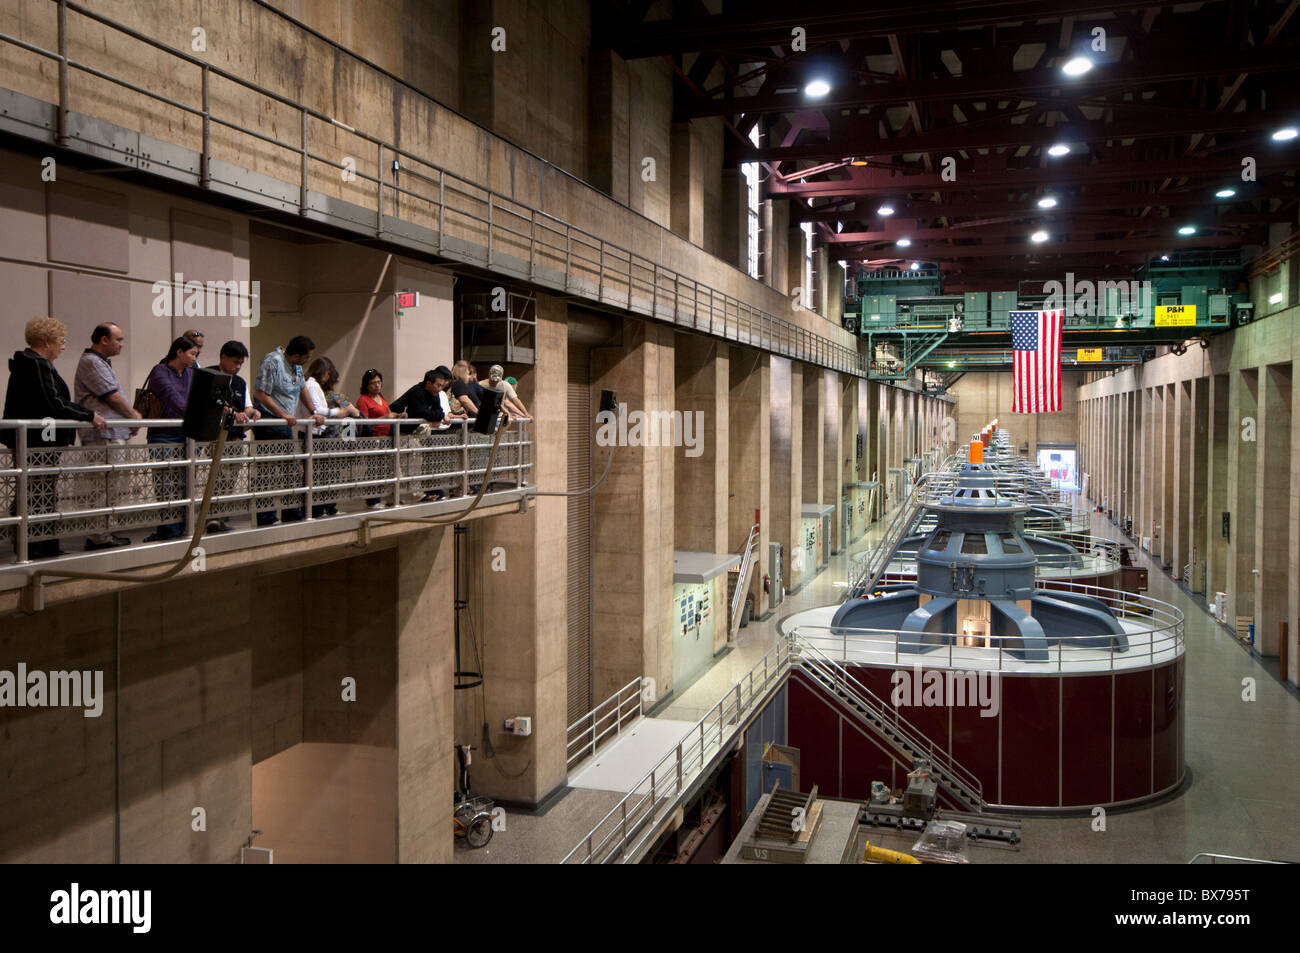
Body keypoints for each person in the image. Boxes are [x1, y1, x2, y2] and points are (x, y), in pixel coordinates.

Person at [2, 317, 107, 559]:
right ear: (47, 341)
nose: (63, 345)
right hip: (38, 442)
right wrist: (89, 415)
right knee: (39, 493)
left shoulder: (29, 363)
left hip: (35, 440)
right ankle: (38, 546)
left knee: (38, 492)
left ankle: (40, 544)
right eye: (60, 341)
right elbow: (55, 403)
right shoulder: (37, 365)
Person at [74, 322, 141, 550]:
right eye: (119, 339)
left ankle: (104, 532)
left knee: (110, 486)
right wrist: (133, 416)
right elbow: (111, 397)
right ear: (104, 340)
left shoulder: (100, 362)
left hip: (110, 434)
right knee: (102, 487)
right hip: (103, 436)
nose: (122, 344)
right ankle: (99, 536)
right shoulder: (92, 362)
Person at [251, 335, 323, 526]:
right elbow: (260, 393)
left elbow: (302, 390)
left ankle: (291, 512)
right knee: (267, 472)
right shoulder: (272, 361)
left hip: (285, 425)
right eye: (306, 356)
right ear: (297, 355)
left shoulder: (297, 367)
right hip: (270, 423)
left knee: (290, 470)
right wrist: (282, 413)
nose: (308, 360)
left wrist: (314, 412)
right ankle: (266, 517)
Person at [142, 337, 199, 541]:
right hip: (163, 434)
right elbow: (172, 397)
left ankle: (184, 528)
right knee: (166, 484)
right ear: (179, 352)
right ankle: (168, 530)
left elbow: (197, 398)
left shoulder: (191, 374)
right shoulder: (160, 371)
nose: (195, 358)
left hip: (185, 435)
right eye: (192, 353)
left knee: (185, 485)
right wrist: (194, 414)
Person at [204, 340, 261, 533]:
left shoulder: (239, 382)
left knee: (230, 479)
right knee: (217, 477)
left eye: (240, 364)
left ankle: (220, 518)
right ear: (223, 358)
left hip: (235, 436)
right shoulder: (208, 375)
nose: (238, 367)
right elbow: (208, 402)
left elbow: (247, 405)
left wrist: (252, 412)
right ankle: (210, 518)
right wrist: (230, 412)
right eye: (235, 362)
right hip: (214, 436)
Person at [299, 357, 360, 516]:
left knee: (323, 475)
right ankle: (323, 508)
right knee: (326, 475)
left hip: (326, 437)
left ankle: (324, 507)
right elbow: (355, 414)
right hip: (327, 438)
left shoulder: (320, 391)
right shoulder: (334, 396)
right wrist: (349, 439)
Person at [390, 367, 455, 501]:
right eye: (438, 385)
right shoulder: (417, 391)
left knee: (415, 462)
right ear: (429, 383)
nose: (440, 388)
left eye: (442, 386)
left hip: (412, 432)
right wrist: (440, 416)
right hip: (399, 431)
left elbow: (437, 410)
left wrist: (438, 416)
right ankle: (399, 497)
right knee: (399, 465)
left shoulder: (435, 394)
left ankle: (415, 494)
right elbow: (421, 412)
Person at [356, 368, 405, 508]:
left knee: (387, 469)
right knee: (373, 469)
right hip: (373, 439)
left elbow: (388, 413)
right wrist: (385, 418)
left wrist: (398, 415)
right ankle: (372, 500)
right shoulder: (363, 400)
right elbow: (363, 422)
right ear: (367, 385)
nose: (377, 385)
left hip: (386, 438)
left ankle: (390, 496)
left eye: (378, 382)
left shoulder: (381, 398)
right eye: (373, 383)